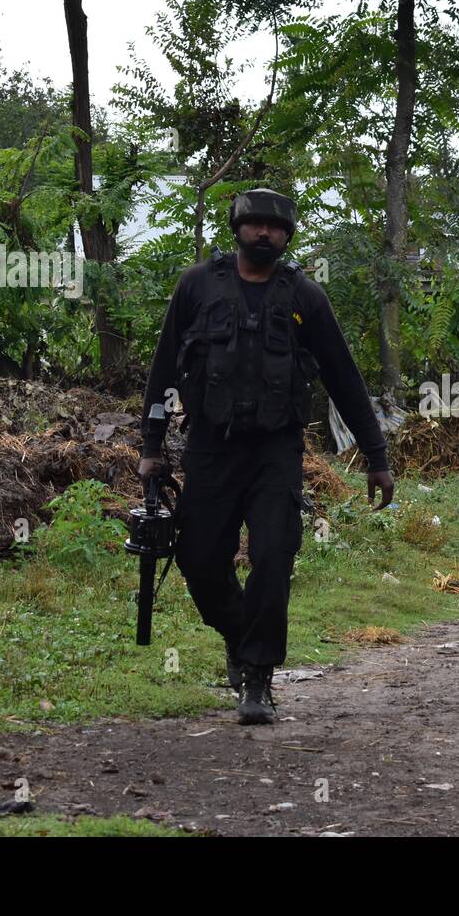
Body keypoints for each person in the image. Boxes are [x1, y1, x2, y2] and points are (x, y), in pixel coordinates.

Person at [138, 188, 395, 725]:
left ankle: (259, 679)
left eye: (275, 227)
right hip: (210, 446)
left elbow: (344, 377)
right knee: (200, 560)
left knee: (274, 557)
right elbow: (163, 371)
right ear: (237, 228)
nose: (264, 233)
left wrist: (376, 453)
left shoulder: (304, 297)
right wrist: (152, 447)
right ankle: (238, 635)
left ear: (288, 236)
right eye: (254, 224)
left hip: (276, 450)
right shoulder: (197, 286)